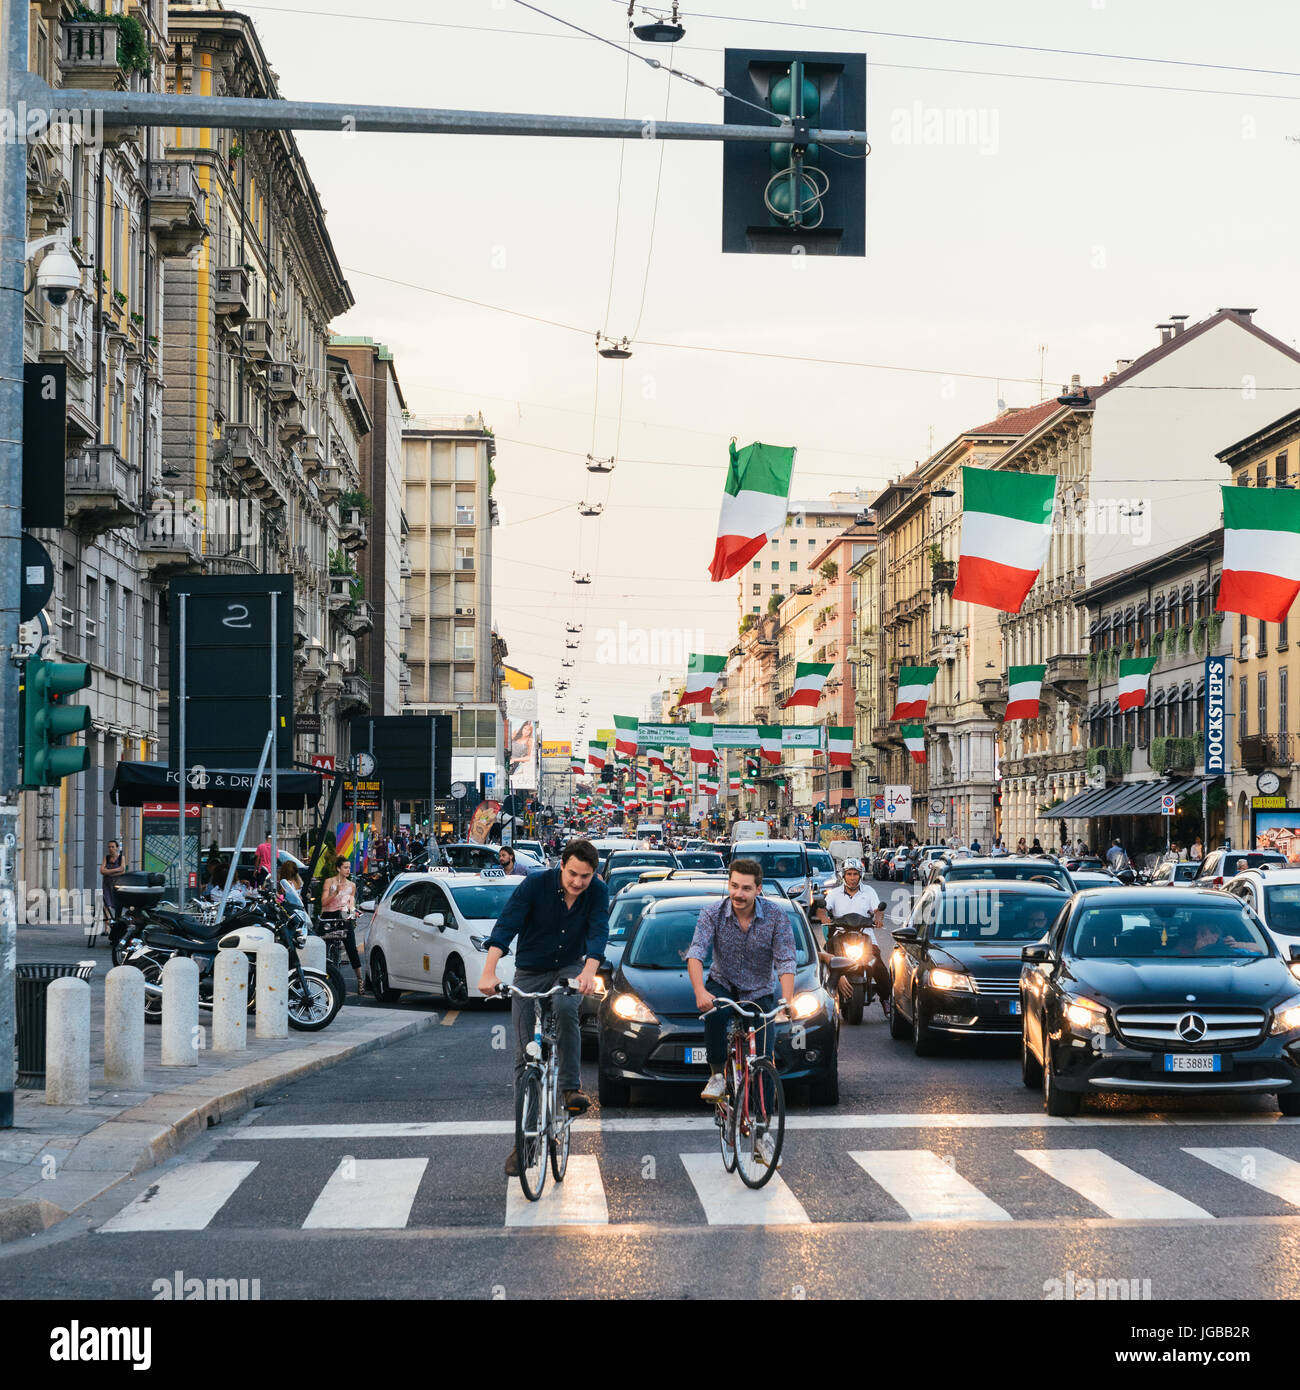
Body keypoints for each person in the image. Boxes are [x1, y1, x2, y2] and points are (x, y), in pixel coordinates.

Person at [478, 840, 608, 1177]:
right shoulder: (535, 884)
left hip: (569, 968)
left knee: (567, 1008)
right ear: (561, 865)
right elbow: (507, 925)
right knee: (525, 1059)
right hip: (530, 970)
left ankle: (569, 1088)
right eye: (574, 874)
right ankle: (525, 1142)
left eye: (586, 876)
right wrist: (489, 971)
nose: (579, 882)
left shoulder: (597, 892)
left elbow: (598, 933)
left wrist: (588, 974)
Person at [688, 859, 795, 1165]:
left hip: (760, 992)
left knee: (763, 1062)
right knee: (715, 1013)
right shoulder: (713, 913)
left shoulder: (776, 915)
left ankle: (762, 1134)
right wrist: (700, 992)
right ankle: (717, 1075)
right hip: (723, 984)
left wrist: (785, 1001)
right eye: (734, 886)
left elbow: (786, 960)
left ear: (758, 890)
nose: (739, 893)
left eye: (746, 888)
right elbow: (696, 953)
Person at [819, 859, 891, 1017]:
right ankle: (823, 998)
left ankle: (886, 999)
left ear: (860, 875)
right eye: (849, 874)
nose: (852, 877)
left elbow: (877, 909)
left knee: (878, 965)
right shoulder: (834, 893)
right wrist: (824, 918)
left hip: (865, 936)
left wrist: (878, 919)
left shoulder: (869, 891)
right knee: (824, 962)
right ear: (843, 875)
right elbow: (823, 908)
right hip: (839, 936)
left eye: (855, 874)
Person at [321, 858, 363, 995]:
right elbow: (323, 902)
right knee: (324, 947)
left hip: (344, 917)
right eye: (345, 867)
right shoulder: (330, 882)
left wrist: (352, 914)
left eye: (349, 867)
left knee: (352, 948)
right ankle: (322, 977)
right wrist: (335, 892)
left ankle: (360, 980)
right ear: (338, 868)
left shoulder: (352, 885)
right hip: (329, 916)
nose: (348, 870)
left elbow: (351, 903)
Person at [100, 839, 126, 937]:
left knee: (117, 906)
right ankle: (107, 928)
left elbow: (122, 871)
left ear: (117, 848)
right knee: (106, 906)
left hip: (117, 885)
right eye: (109, 847)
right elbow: (102, 871)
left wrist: (108, 871)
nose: (110, 849)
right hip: (106, 884)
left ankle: (117, 927)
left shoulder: (121, 858)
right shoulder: (106, 858)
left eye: (112, 847)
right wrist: (115, 870)